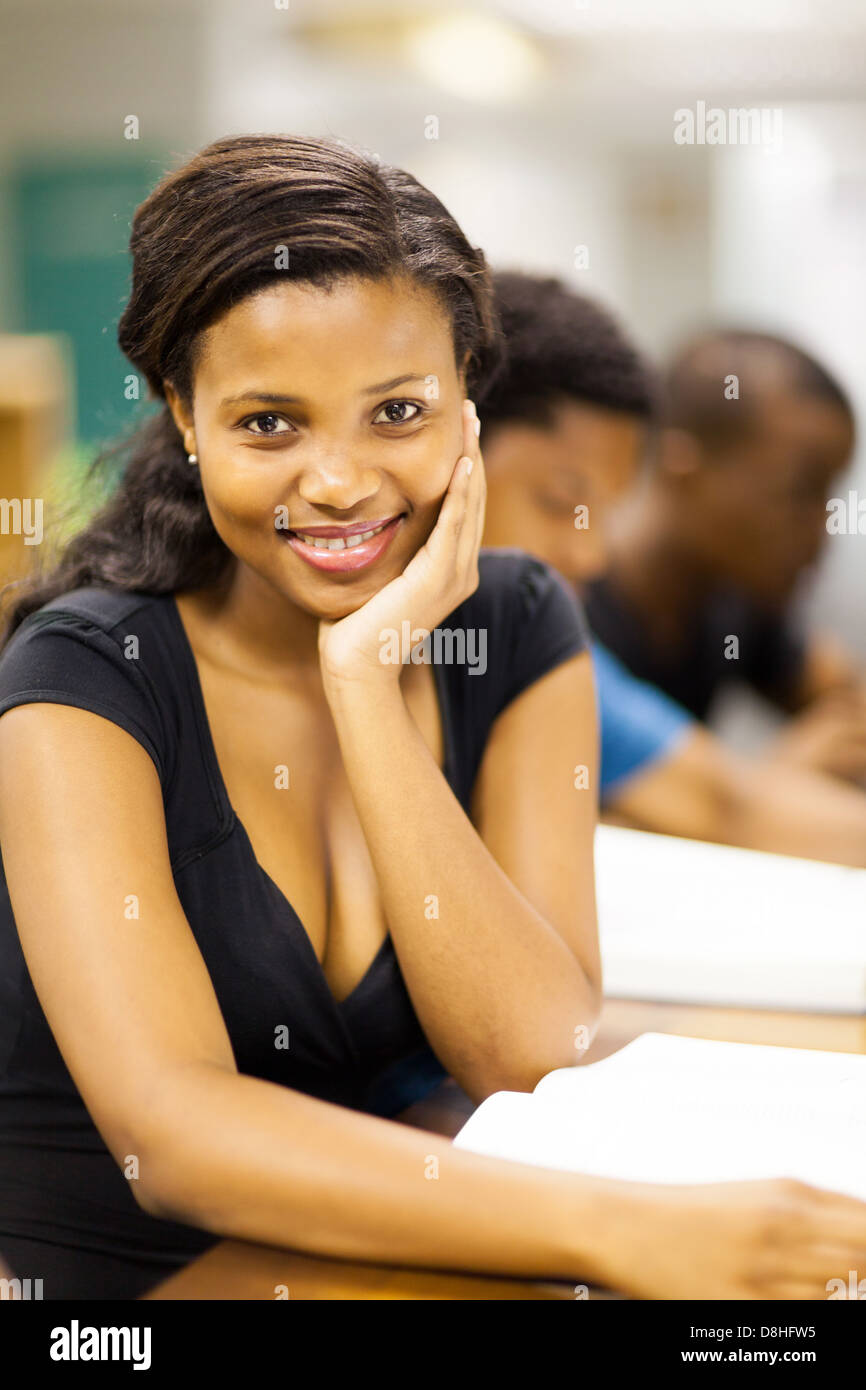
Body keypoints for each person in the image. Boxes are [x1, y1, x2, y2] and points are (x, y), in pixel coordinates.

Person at [0, 137, 864, 1304]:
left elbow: (525, 1052)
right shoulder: (86, 676)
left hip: (410, 1231)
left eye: (395, 411)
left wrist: (366, 690)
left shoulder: (518, 624)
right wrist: (623, 1228)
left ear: (466, 405)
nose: (340, 480)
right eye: (269, 424)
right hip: (146, 1284)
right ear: (185, 416)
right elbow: (179, 1140)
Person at [478, 271, 866, 865]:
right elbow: (719, 804)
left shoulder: (734, 611)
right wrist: (763, 783)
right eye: (558, 502)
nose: (591, 555)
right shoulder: (547, 628)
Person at [583, 327, 866, 787]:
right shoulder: (570, 605)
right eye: (800, 493)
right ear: (685, 472)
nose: (824, 529)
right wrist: (773, 782)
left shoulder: (733, 600)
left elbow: (846, 700)